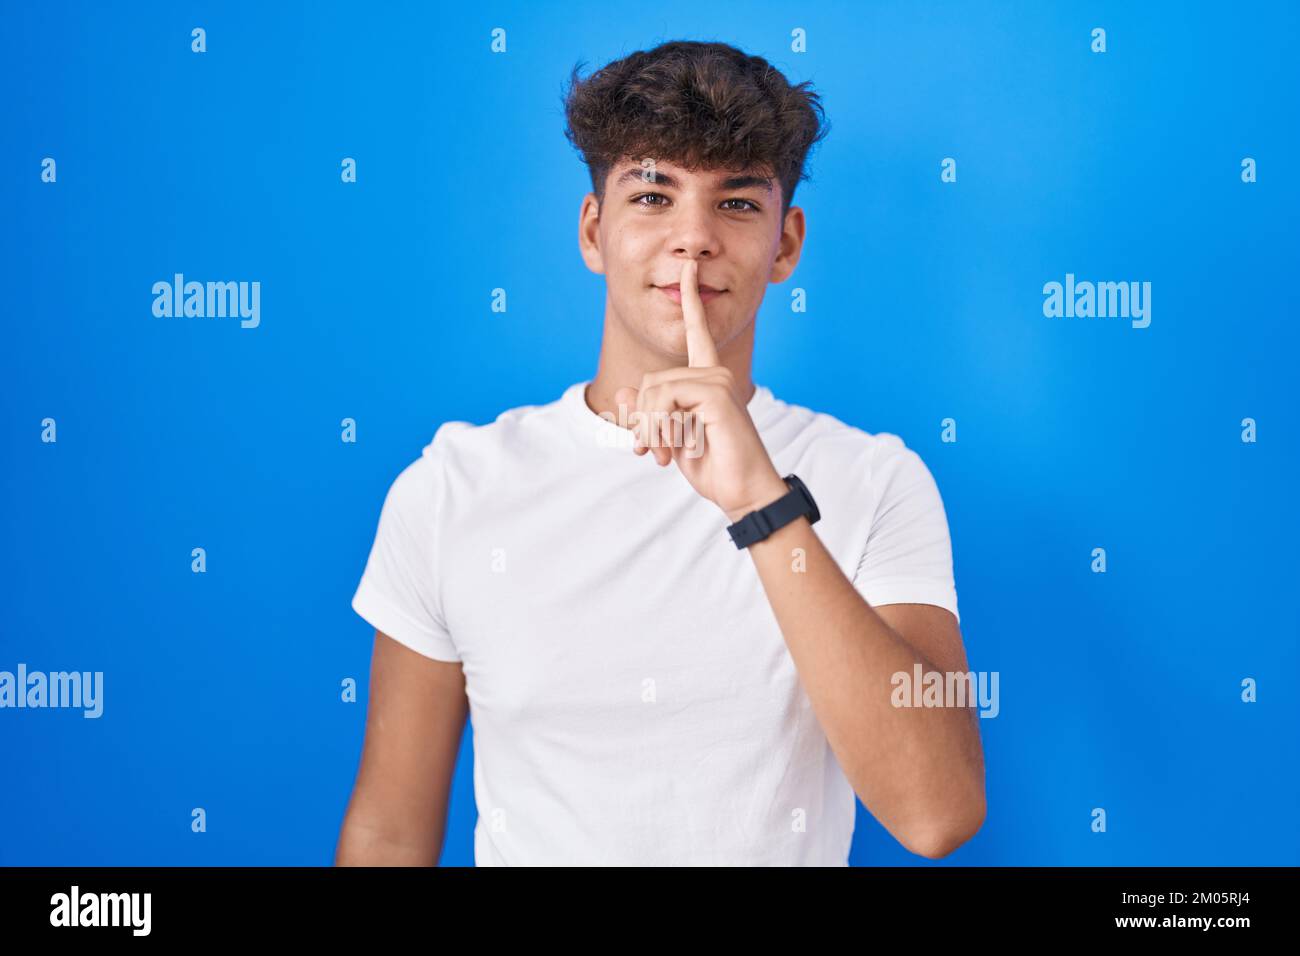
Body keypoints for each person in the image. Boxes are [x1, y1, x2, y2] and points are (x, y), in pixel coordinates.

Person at [335, 39, 985, 866]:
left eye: (736, 205)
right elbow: (390, 828)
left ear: (785, 245)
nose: (693, 240)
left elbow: (941, 812)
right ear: (594, 231)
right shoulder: (453, 489)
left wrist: (763, 503)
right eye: (653, 195)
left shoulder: (878, 480)